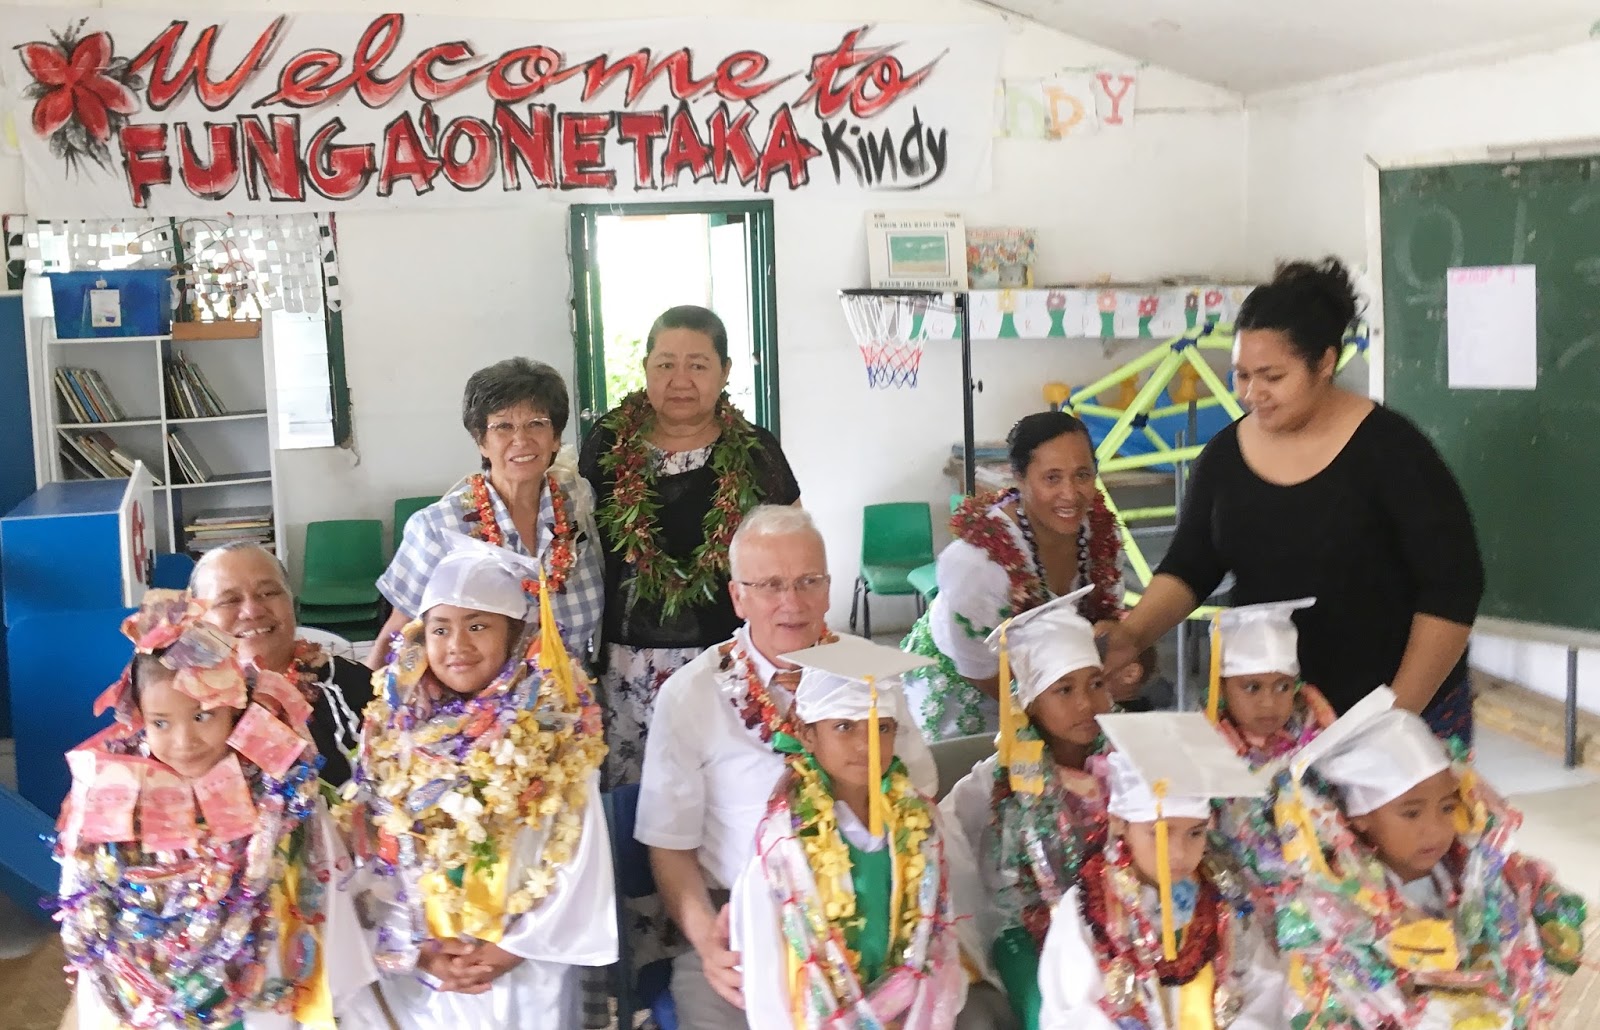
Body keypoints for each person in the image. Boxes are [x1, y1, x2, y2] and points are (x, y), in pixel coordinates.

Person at [1100, 258, 1484, 745]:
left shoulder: (1392, 451)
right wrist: (1133, 636)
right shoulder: (1224, 456)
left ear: (1325, 363)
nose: (1252, 394)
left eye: (1272, 376)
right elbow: (1191, 566)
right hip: (1273, 715)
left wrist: (1394, 716)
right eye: (1241, 376)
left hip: (1396, 709)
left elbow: (1453, 589)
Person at [635, 506, 937, 1030]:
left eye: (808, 582)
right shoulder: (691, 694)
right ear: (738, 597)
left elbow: (921, 798)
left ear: (827, 587)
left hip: (877, 913)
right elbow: (670, 844)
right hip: (746, 924)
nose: (792, 604)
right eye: (770, 585)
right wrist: (709, 941)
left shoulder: (872, 673)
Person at [57, 590, 378, 1028]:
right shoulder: (112, 802)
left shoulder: (285, 797)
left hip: (267, 991)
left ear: (235, 707)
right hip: (153, 997)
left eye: (202, 715)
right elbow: (90, 909)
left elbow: (325, 895)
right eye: (161, 723)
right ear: (139, 719)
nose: (183, 741)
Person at [342, 534, 614, 1030]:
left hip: (524, 965)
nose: (457, 646)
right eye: (440, 629)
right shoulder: (390, 729)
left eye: (478, 626)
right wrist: (417, 945)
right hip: (421, 966)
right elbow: (369, 845)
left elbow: (582, 851)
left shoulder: (556, 727)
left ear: (515, 635)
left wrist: (515, 947)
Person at [579, 304, 800, 786]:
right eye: (665, 364)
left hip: (728, 656)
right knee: (637, 796)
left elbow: (793, 545)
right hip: (627, 660)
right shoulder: (608, 442)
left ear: (725, 372)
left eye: (698, 365)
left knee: (724, 788)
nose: (680, 379)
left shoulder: (757, 451)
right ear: (645, 371)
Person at [1274, 688, 1587, 1028]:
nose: (1436, 829)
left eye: (1447, 807)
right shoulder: (1337, 910)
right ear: (1359, 816)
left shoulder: (1472, 875)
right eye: (1411, 814)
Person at [731, 637, 988, 1029]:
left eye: (882, 728)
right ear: (807, 733)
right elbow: (768, 976)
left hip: (914, 1015)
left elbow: (940, 937)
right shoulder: (784, 847)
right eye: (844, 727)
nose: (866, 744)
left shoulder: (921, 825)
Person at [1037, 712, 1285, 1030]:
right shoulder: (1087, 910)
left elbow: (1261, 993)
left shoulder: (1226, 901)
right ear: (1120, 824)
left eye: (1195, 833)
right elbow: (1074, 1014)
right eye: (1161, 833)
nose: (1180, 853)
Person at [941, 586, 1113, 1030]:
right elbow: (941, 838)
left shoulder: (1126, 764)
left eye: (1096, 684)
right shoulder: (995, 782)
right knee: (1052, 1014)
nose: (1085, 704)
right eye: (1064, 690)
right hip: (1026, 934)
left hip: (1116, 924)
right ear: (1031, 702)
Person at [901, 411, 1124, 741]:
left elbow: (1104, 620)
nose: (1070, 493)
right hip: (968, 689)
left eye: (1082, 475)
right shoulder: (976, 562)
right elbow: (978, 669)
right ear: (1018, 477)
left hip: (1057, 687)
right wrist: (1045, 723)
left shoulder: (1100, 534)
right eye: (1052, 478)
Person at [373, 357, 604, 667]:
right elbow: (398, 633)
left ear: (556, 439)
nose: (521, 440)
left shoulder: (580, 506)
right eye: (503, 426)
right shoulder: (439, 528)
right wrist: (366, 707)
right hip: (479, 712)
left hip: (578, 705)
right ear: (481, 441)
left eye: (537, 423)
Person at [190, 541, 373, 786]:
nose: (252, 611)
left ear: (293, 604)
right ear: (198, 622)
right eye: (229, 600)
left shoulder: (357, 687)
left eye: (268, 593)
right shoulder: (183, 706)